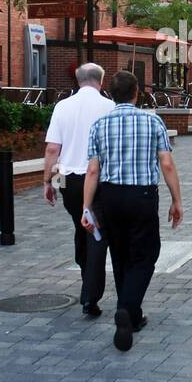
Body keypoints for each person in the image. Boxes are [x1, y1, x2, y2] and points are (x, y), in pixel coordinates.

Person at [81, 70, 184, 352]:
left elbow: (92, 169)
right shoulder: (152, 121)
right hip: (142, 196)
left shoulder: (99, 124)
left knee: (120, 254)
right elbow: (167, 163)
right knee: (146, 255)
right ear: (136, 92)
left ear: (110, 94)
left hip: (111, 196)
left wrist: (86, 207)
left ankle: (133, 315)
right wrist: (177, 200)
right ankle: (126, 309)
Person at [43, 63, 115, 318]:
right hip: (98, 179)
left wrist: (47, 182)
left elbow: (53, 149)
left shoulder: (62, 106)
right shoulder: (109, 107)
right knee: (96, 234)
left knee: (80, 225)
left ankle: (86, 275)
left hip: (68, 180)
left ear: (77, 80)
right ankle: (90, 296)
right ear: (101, 81)